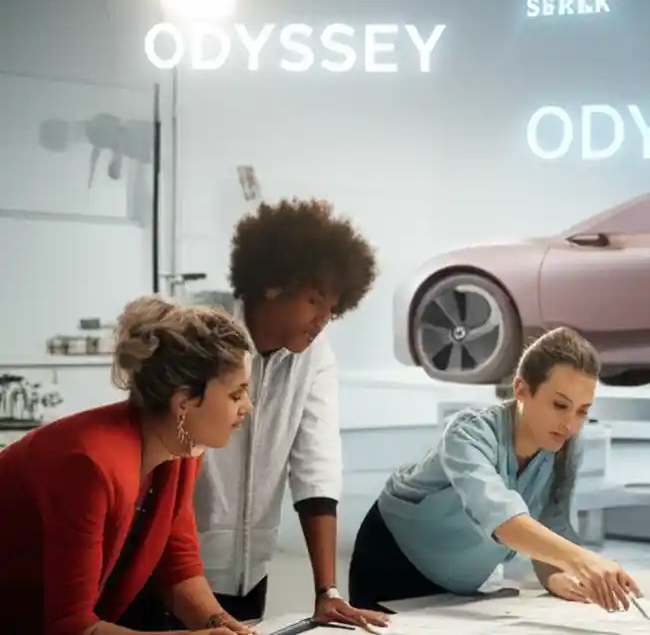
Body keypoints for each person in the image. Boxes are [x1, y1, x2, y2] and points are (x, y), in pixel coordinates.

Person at [0, 296, 257, 635]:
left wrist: (223, 626)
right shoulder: (89, 465)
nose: (247, 407)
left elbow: (177, 566)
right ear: (183, 403)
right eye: (236, 394)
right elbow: (71, 627)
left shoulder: (179, 446)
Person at [181, 198, 383, 628]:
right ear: (274, 283)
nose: (323, 320)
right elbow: (170, 456)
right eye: (314, 301)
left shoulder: (316, 357)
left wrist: (326, 591)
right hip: (173, 571)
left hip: (249, 576)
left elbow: (316, 465)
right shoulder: (198, 331)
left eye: (333, 308)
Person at [348, 327, 643, 613]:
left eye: (582, 411)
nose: (571, 424)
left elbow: (552, 526)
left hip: (457, 589)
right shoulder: (468, 433)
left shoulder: (564, 448)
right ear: (521, 390)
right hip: (390, 560)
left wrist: (557, 576)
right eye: (559, 405)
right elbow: (502, 519)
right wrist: (584, 561)